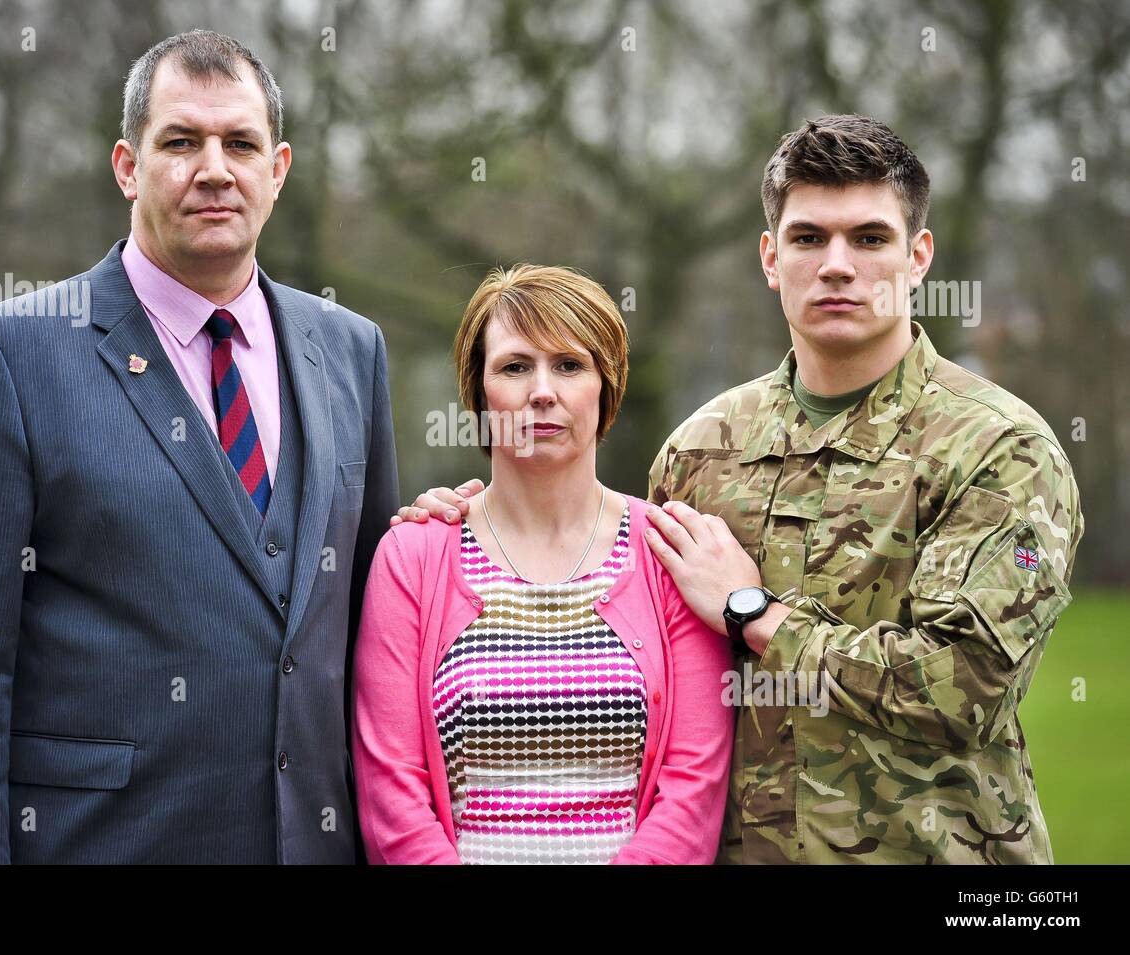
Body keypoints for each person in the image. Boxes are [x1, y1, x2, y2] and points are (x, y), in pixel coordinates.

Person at [397, 115, 1083, 864]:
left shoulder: (999, 448)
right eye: (809, 238)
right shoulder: (700, 451)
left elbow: (965, 690)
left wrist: (757, 617)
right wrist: (474, 522)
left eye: (871, 238)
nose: (838, 265)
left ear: (919, 257)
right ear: (770, 256)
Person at [0, 29, 398, 863]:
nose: (215, 169)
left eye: (240, 143)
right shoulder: (6, 355)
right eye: (181, 141)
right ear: (127, 165)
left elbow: (371, 634)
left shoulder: (350, 348)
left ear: (280, 168)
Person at [354, 265, 734, 864]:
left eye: (569, 364)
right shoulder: (413, 556)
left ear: (605, 387)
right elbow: (391, 789)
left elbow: (693, 784)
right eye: (513, 366)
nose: (542, 391)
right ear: (479, 392)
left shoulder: (668, 552)